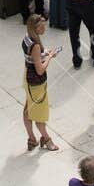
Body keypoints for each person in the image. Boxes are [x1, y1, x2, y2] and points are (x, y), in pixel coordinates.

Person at [22, 14, 59, 152]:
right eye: (41, 26)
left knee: (27, 109)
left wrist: (45, 53)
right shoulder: (36, 46)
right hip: (37, 84)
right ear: (35, 28)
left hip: (27, 78)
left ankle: (31, 139)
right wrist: (49, 57)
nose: (44, 28)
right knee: (39, 115)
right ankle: (47, 139)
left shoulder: (27, 38)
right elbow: (40, 69)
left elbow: (32, 58)